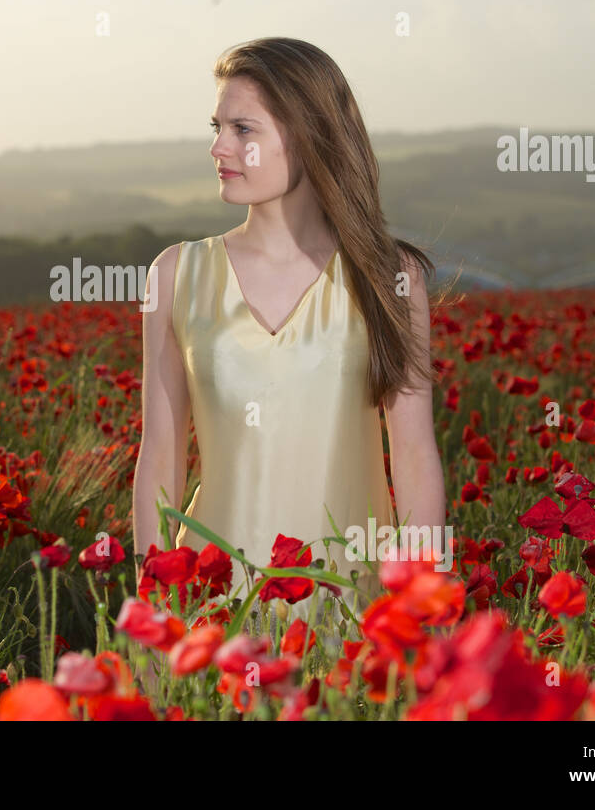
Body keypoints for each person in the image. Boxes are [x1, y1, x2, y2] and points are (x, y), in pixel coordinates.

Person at [132, 37, 448, 656]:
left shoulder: (389, 276)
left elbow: (412, 458)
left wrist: (423, 609)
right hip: (209, 609)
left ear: (306, 135)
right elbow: (161, 458)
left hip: (356, 605)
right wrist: (155, 610)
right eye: (216, 126)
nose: (218, 147)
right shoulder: (175, 274)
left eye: (241, 128)